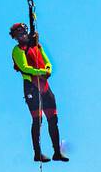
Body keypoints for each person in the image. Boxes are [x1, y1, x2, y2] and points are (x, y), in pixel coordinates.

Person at [9, 22, 68, 162]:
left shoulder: (36, 45)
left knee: (53, 119)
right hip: (32, 87)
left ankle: (57, 152)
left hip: (44, 86)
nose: (23, 35)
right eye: (20, 34)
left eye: (24, 32)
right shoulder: (18, 50)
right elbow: (25, 68)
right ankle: (37, 153)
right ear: (16, 37)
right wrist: (41, 72)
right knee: (38, 120)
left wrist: (48, 69)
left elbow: (46, 60)